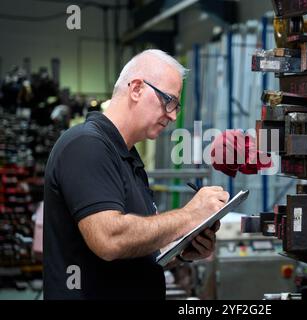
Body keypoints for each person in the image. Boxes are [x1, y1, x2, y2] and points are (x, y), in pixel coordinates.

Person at [43, 49, 229, 300]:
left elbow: (134, 246)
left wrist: (182, 249)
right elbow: (109, 239)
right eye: (169, 100)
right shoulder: (86, 145)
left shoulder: (128, 158)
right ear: (137, 89)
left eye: (176, 105)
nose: (173, 115)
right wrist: (190, 214)